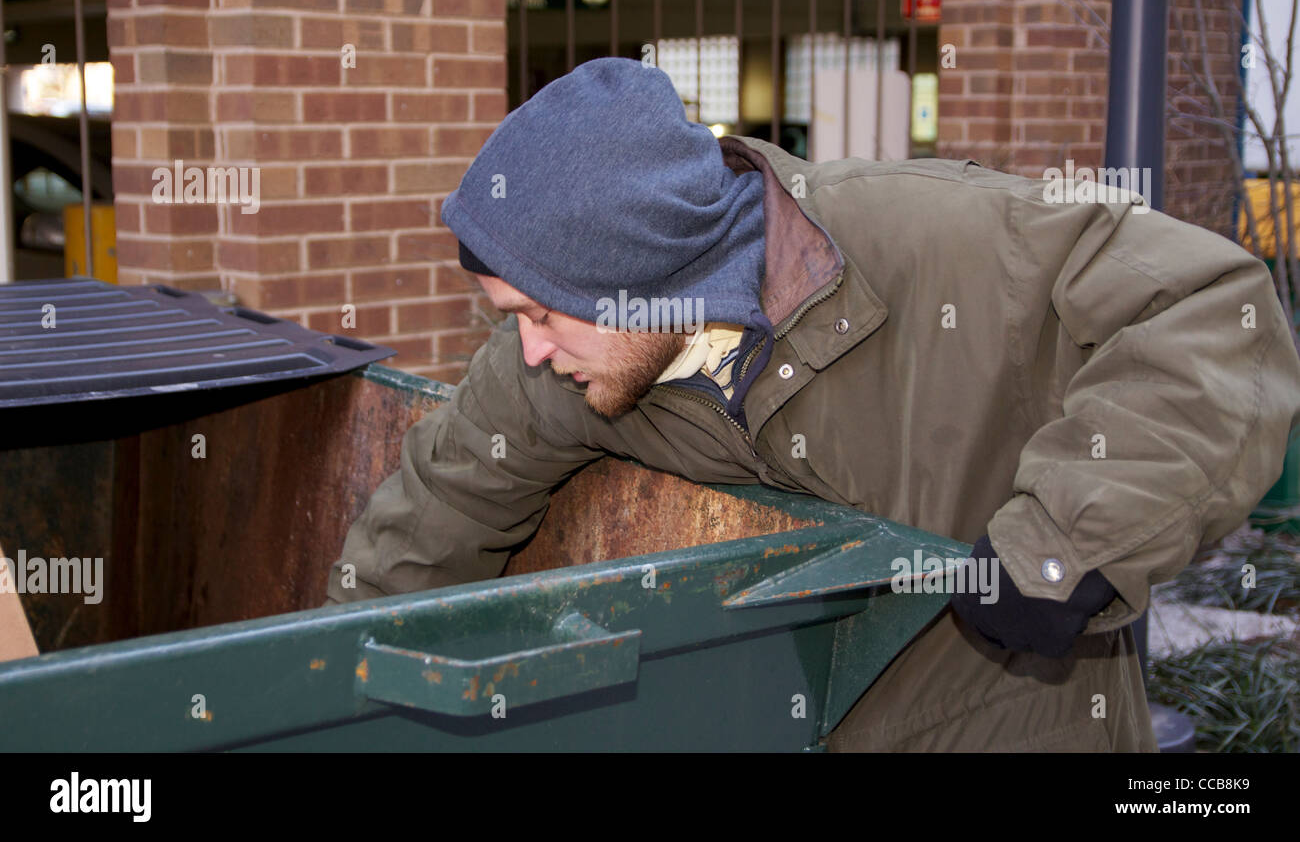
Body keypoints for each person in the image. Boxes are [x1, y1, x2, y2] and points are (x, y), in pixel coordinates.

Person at [327, 56, 1300, 751]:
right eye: (511, 315)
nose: (526, 345)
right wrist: (317, 695)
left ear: (639, 274)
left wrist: (1071, 536)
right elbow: (430, 519)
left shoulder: (936, 238)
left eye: (543, 311)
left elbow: (1210, 309)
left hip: (1010, 718)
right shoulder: (555, 365)